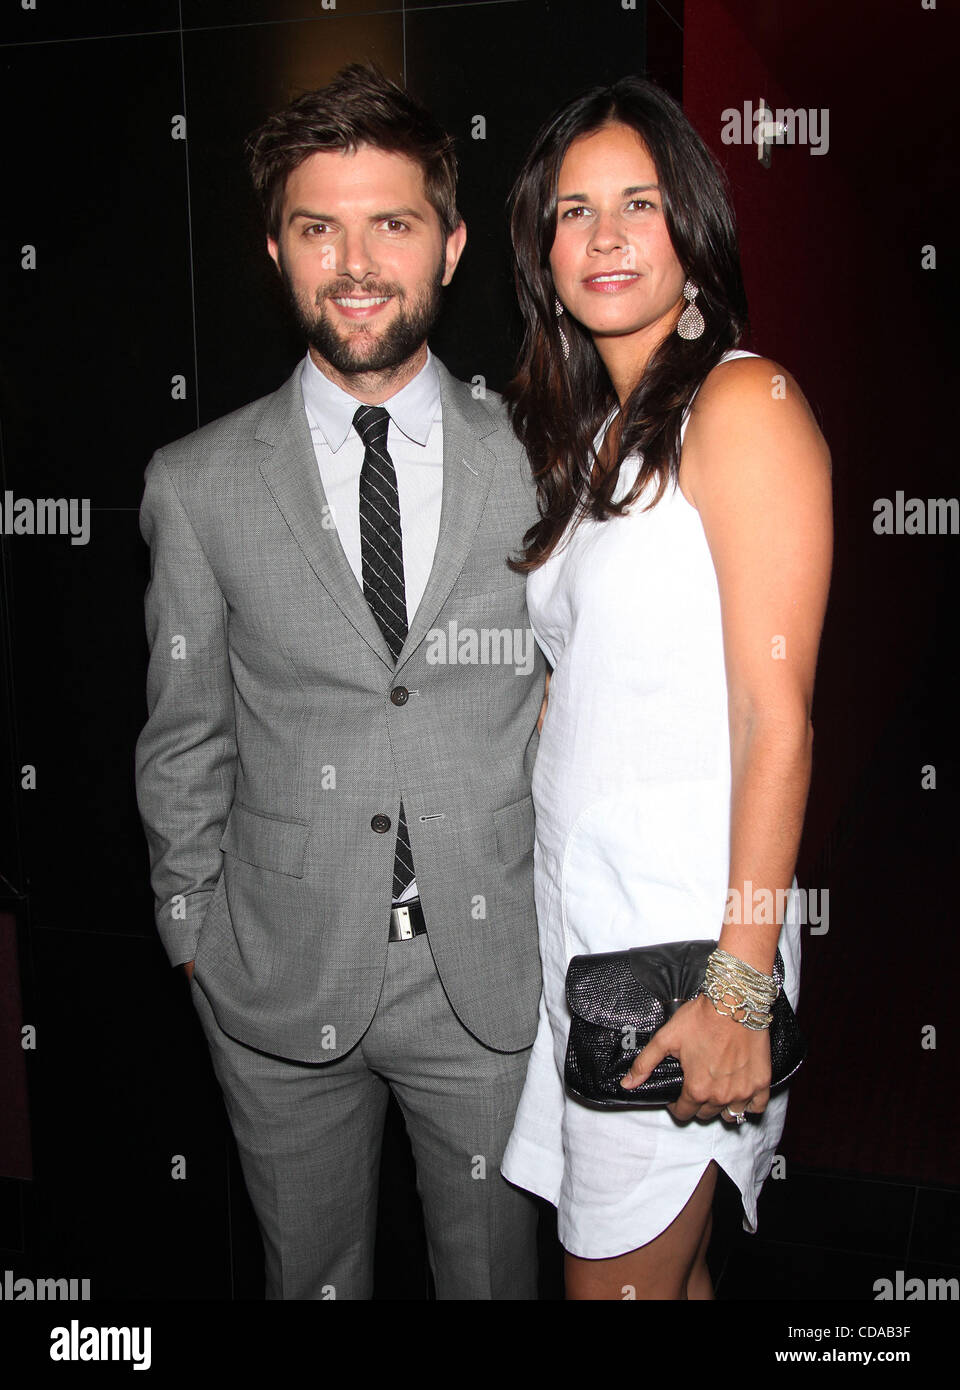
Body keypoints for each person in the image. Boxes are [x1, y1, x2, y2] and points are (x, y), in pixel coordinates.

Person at [134, 62, 545, 1300]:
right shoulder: (195, 484)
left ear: (453, 245)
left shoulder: (539, 458)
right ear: (276, 249)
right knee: (308, 1280)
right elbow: (182, 732)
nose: (356, 263)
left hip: (484, 976)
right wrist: (190, 927)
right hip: (271, 974)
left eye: (394, 225)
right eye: (319, 227)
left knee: (493, 1283)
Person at [499, 75, 832, 1300]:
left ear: (692, 232)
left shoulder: (744, 404)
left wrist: (743, 983)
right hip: (590, 941)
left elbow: (775, 715)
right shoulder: (601, 433)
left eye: (637, 202)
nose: (603, 236)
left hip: (688, 953)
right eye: (573, 210)